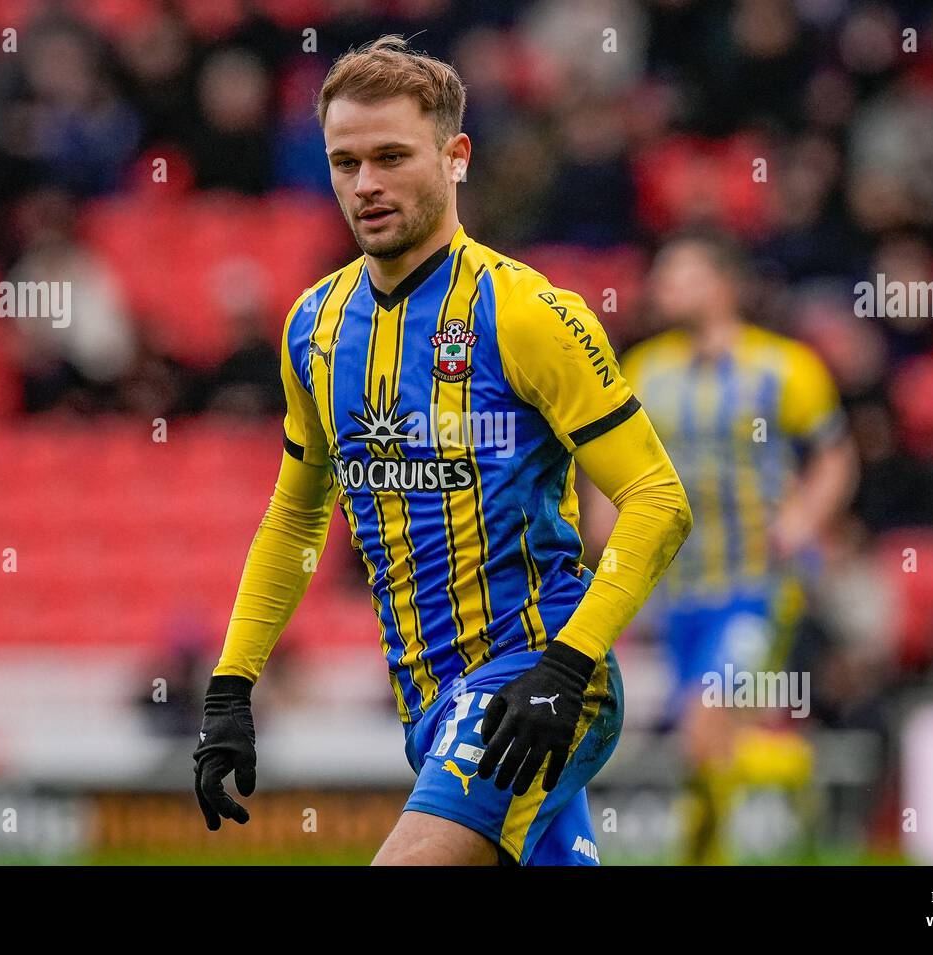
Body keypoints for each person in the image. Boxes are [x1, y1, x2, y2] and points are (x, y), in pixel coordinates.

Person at [191, 36, 692, 866]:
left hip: (535, 676)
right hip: (427, 702)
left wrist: (567, 667)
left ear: (456, 157)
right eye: (345, 162)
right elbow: (296, 518)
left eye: (391, 157)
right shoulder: (314, 328)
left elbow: (658, 499)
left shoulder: (526, 312)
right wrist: (231, 685)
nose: (366, 184)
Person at [609, 232, 856, 862]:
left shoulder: (784, 367)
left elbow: (836, 456)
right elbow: (611, 459)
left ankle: (734, 831)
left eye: (680, 273)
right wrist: (605, 523)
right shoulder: (645, 370)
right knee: (703, 748)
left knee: (706, 723)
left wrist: (803, 517)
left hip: (759, 585)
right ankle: (787, 771)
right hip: (680, 591)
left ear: (722, 286)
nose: (663, 286)